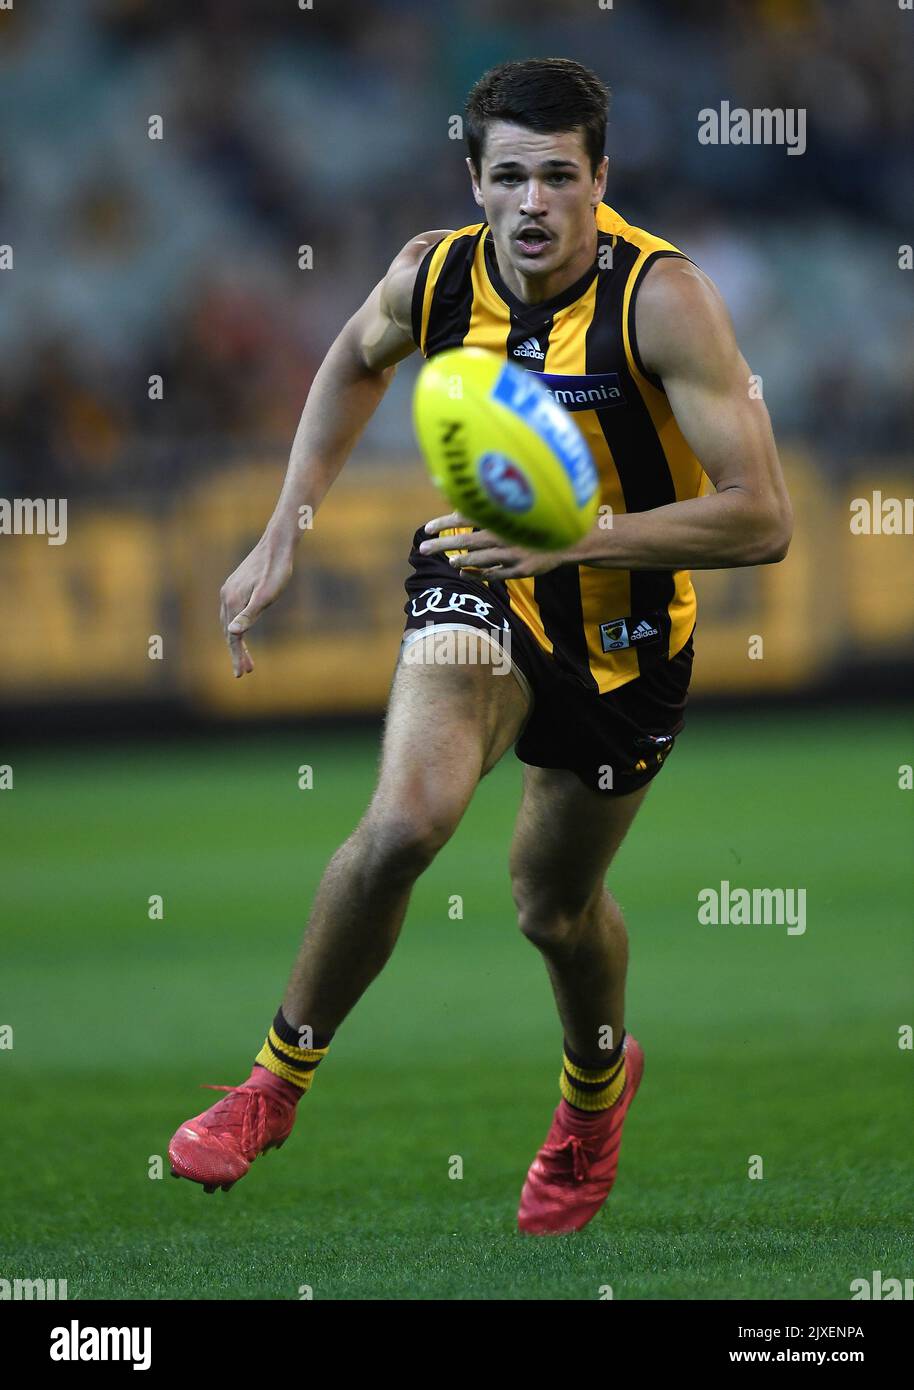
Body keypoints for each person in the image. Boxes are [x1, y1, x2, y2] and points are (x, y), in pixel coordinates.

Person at [168, 57, 792, 1235]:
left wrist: (579, 541)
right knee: (406, 820)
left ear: (599, 179)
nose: (532, 204)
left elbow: (762, 516)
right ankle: (272, 1080)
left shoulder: (663, 299)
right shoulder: (433, 273)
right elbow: (354, 359)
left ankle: (592, 1093)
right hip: (478, 577)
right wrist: (282, 529)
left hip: (622, 634)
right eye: (508, 176)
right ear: (474, 178)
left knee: (552, 910)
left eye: (559, 176)